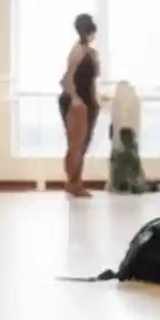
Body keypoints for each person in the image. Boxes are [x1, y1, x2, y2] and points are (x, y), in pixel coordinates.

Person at [59, 13, 100, 198]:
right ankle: (73, 182)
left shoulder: (90, 53)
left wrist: (94, 102)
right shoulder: (77, 51)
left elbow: (92, 80)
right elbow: (66, 79)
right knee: (76, 144)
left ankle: (75, 181)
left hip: (87, 101)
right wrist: (76, 100)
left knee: (82, 144)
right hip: (76, 101)